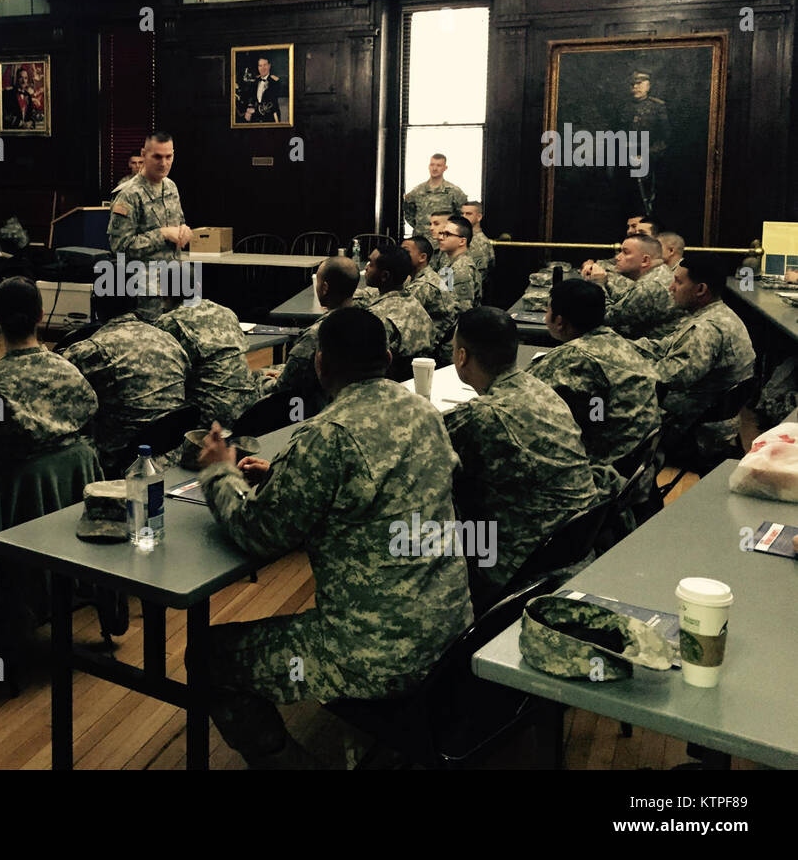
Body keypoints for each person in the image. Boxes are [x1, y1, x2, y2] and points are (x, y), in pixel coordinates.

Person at [195, 306, 473, 768]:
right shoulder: (424, 412)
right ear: (386, 357)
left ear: (321, 364)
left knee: (209, 658)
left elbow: (256, 534)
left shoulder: (325, 435)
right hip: (452, 628)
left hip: (377, 654)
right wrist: (286, 474)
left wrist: (219, 473)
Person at [444, 307, 606, 602]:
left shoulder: (483, 416)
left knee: (405, 534)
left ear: (462, 357)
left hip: (519, 565)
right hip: (572, 549)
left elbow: (417, 452)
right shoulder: (541, 390)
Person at [0, 277, 98, 485]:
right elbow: (91, 428)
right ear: (41, 316)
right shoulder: (70, 372)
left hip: (6, 503)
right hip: (69, 494)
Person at [631, 253, 756, 459]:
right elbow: (666, 345)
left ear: (700, 290)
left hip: (692, 431)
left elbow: (671, 378)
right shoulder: (718, 314)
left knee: (605, 420)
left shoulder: (706, 329)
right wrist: (624, 348)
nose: (671, 288)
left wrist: (620, 365)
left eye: (678, 282)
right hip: (709, 422)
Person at [530, 279, 661, 471]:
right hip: (630, 463)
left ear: (559, 322)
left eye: (547, 310)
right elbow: (596, 404)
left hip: (600, 468)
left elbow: (522, 397)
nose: (545, 316)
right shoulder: (614, 341)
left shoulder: (576, 357)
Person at [63, 288, 189, 473]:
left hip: (122, 463)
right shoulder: (168, 340)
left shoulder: (90, 351)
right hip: (172, 455)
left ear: (96, 307)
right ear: (135, 303)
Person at [261, 256, 359, 413]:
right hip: (349, 404)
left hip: (308, 410)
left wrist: (263, 379)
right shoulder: (362, 321)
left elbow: (283, 388)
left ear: (325, 287)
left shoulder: (316, 335)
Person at [107, 131, 190, 315]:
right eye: (157, 157)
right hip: (144, 292)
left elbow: (179, 223)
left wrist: (184, 231)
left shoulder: (170, 187)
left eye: (169, 156)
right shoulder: (128, 194)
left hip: (174, 285)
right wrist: (162, 234)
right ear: (144, 155)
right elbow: (120, 247)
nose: (164, 163)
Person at [156, 295, 262, 427]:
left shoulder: (169, 322)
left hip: (209, 419)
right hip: (249, 409)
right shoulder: (225, 311)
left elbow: (165, 376)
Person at [587, 233, 685, 341]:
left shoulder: (648, 287)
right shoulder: (661, 272)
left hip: (654, 351)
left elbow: (605, 317)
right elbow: (626, 297)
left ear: (645, 261)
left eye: (625, 252)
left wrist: (598, 284)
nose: (618, 257)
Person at [356, 245, 433, 366]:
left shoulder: (377, 317)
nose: (366, 267)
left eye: (371, 264)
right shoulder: (415, 304)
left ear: (384, 276)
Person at [615, 71, 669, 217]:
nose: (635, 87)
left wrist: (647, 155)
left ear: (648, 86)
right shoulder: (623, 107)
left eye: (639, 84)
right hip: (624, 160)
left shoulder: (658, 107)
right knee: (625, 202)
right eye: (632, 85)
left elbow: (664, 139)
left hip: (649, 160)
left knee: (646, 203)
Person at [401, 235, 458, 358]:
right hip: (428, 342)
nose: (401, 256)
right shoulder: (413, 277)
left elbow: (399, 310)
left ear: (422, 257)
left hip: (438, 353)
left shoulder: (425, 284)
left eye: (405, 252)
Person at [403, 154, 467, 234]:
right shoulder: (417, 191)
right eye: (432, 165)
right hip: (421, 238)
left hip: (443, 238)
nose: (434, 168)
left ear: (445, 168)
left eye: (439, 165)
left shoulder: (454, 191)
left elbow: (462, 215)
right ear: (428, 166)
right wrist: (421, 227)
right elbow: (408, 212)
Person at [436, 216, 482, 313]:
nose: (440, 238)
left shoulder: (462, 268)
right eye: (441, 233)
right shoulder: (451, 263)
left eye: (447, 234)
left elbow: (464, 311)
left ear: (462, 241)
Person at [236, 56, 283, 123]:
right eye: (260, 66)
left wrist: (254, 111)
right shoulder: (255, 81)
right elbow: (251, 98)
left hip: (270, 117)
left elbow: (271, 103)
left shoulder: (275, 82)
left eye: (265, 65)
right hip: (256, 118)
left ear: (269, 66)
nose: (262, 68)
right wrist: (248, 110)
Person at [462, 201, 495, 284]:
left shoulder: (479, 243)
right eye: (462, 214)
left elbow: (478, 278)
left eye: (468, 214)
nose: (464, 217)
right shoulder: (463, 237)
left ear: (479, 217)